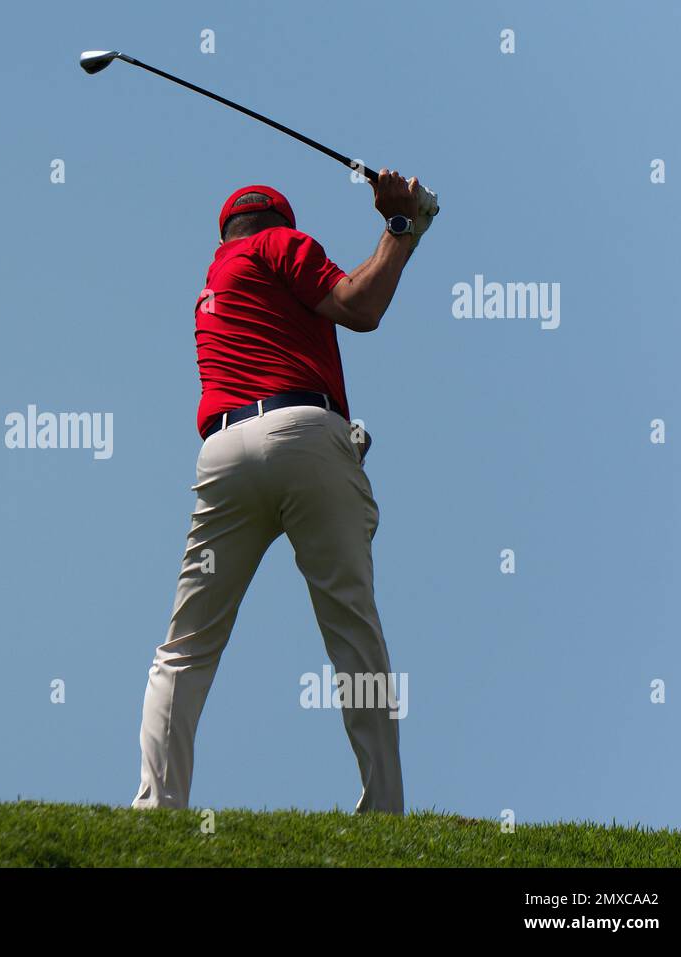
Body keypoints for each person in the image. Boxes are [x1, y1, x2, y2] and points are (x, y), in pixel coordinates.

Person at [132, 171, 435, 814]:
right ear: (282, 225)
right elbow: (360, 306)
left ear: (225, 233)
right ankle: (383, 811)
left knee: (185, 645)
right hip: (305, 435)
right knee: (353, 628)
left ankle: (157, 809)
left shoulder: (211, 286)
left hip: (224, 455)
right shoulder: (280, 246)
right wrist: (401, 227)